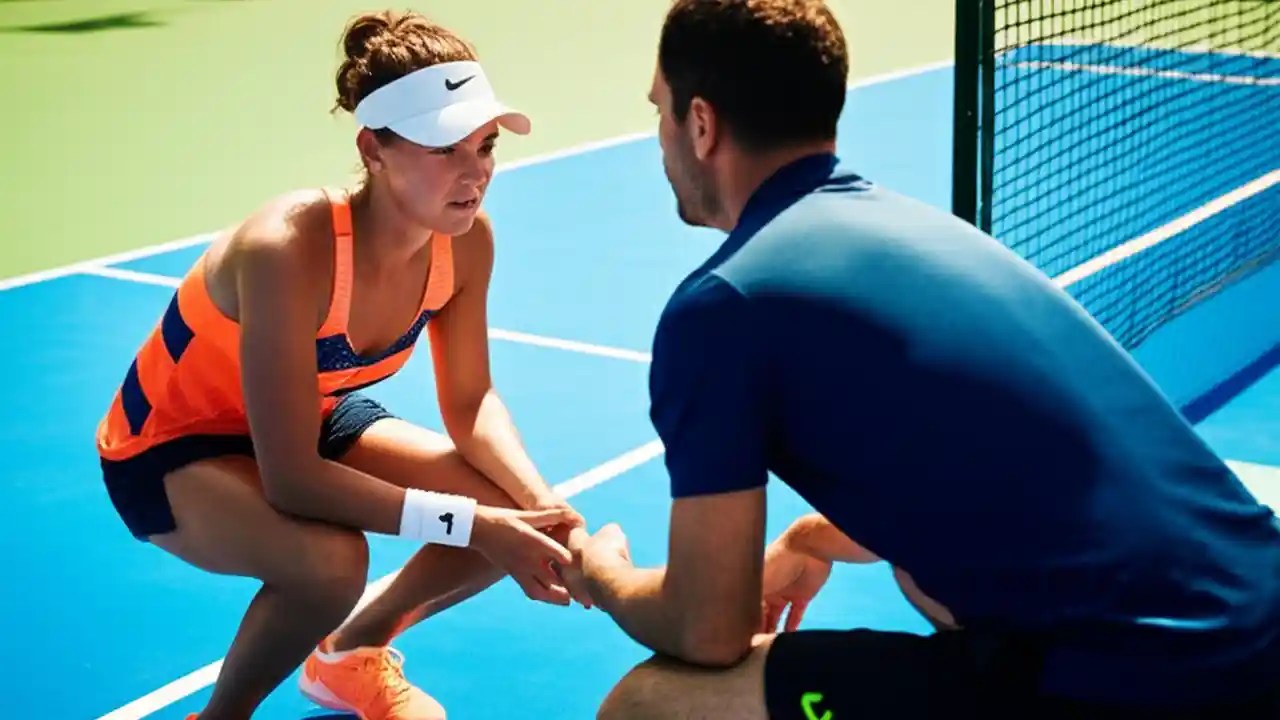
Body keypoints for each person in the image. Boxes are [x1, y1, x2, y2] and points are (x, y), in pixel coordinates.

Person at [561, 1, 1280, 718]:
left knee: (651, 703)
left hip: (1152, 682)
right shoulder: (930, 236)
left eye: (660, 110)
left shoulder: (720, 309)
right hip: (1259, 624)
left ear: (702, 124)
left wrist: (605, 573)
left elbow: (707, 629)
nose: (659, 137)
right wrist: (810, 537)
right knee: (923, 575)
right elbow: (1003, 460)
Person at [94, 10, 590, 720]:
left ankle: (347, 658)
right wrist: (475, 526)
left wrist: (549, 514)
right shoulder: (287, 246)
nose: (475, 171)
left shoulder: (468, 243)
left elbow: (472, 400)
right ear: (374, 148)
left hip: (313, 412)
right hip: (168, 449)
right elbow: (294, 479)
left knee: (516, 513)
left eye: (484, 146)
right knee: (331, 564)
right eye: (446, 147)